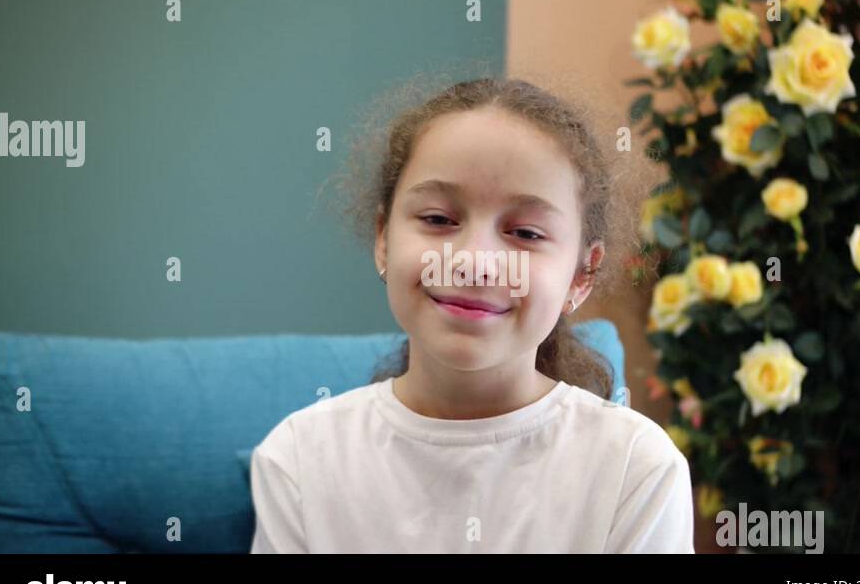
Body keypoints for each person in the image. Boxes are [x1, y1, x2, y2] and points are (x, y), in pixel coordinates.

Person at [250, 77, 695, 553]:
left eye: (525, 232)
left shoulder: (635, 469)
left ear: (580, 276)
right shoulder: (298, 459)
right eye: (439, 220)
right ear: (384, 238)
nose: (474, 262)